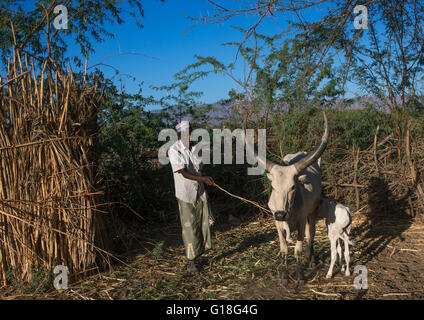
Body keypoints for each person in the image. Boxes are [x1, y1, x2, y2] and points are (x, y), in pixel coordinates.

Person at [168, 120, 215, 275]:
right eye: (185, 134)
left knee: (203, 224)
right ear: (180, 135)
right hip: (186, 194)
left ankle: (199, 253)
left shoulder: (196, 148)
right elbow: (183, 172)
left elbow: (198, 169)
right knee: (189, 228)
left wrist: (203, 179)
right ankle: (190, 261)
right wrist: (203, 179)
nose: (189, 137)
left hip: (200, 192)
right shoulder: (174, 150)